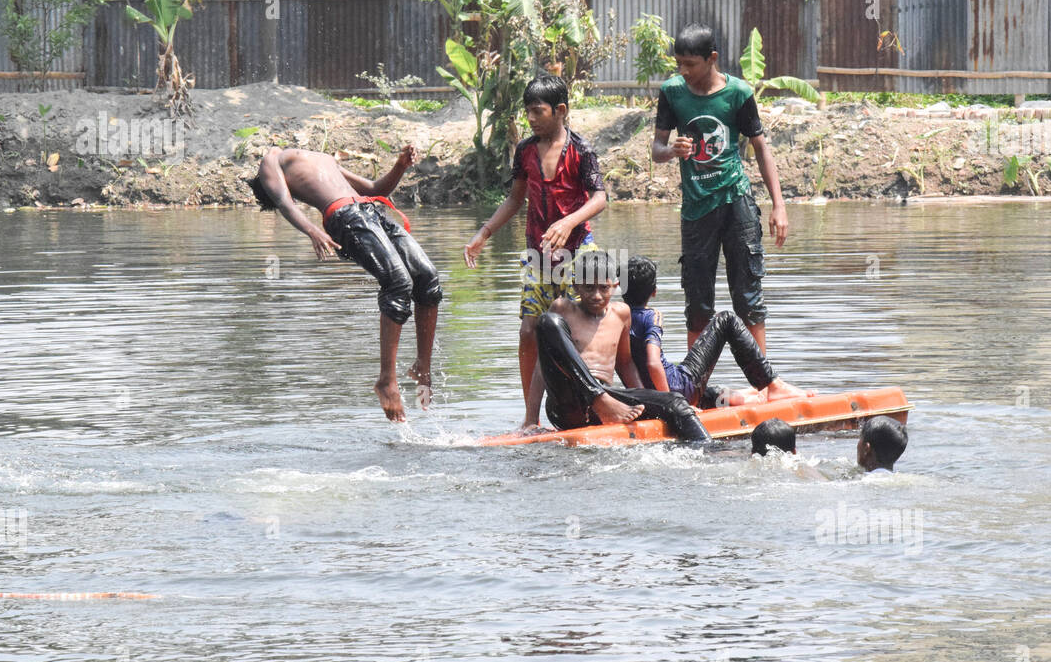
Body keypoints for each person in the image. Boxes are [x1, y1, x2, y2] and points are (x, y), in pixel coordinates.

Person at [247, 145, 441, 422]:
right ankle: (387, 380)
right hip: (345, 218)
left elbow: (376, 188)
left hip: (370, 211)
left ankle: (423, 365)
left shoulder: (322, 158)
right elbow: (283, 201)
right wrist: (312, 230)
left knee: (427, 278)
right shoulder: (271, 160)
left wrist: (399, 166)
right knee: (397, 283)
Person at [462, 75, 607, 412]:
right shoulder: (525, 150)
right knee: (529, 330)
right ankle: (531, 417)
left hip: (577, 251)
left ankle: (587, 403)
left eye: (537, 112)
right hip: (537, 255)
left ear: (560, 110)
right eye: (527, 112)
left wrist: (568, 220)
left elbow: (600, 198)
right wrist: (483, 234)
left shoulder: (581, 150)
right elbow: (514, 200)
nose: (530, 118)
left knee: (580, 329)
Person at [650, 23, 788, 353]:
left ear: (711, 58)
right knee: (697, 303)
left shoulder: (738, 93)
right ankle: (695, 386)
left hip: (735, 200)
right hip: (696, 209)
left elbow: (760, 147)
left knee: (748, 296)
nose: (683, 71)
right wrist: (672, 151)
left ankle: (762, 384)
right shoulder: (672, 92)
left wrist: (778, 205)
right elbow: (656, 149)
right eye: (678, 64)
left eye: (690, 64)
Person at [522, 251, 711, 443]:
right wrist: (530, 421)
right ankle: (598, 398)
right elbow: (541, 366)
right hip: (567, 402)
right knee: (548, 321)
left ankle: (709, 451)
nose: (596, 295)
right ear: (576, 287)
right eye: (588, 288)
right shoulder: (563, 308)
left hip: (608, 402)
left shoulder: (621, 313)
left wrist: (650, 400)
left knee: (676, 402)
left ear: (615, 286)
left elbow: (625, 364)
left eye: (603, 288)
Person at [623, 255, 811, 408]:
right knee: (727, 319)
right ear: (654, 291)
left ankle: (749, 397)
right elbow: (654, 363)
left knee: (718, 394)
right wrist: (672, 404)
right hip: (678, 389)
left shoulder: (617, 320)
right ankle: (773, 385)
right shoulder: (651, 316)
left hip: (656, 392)